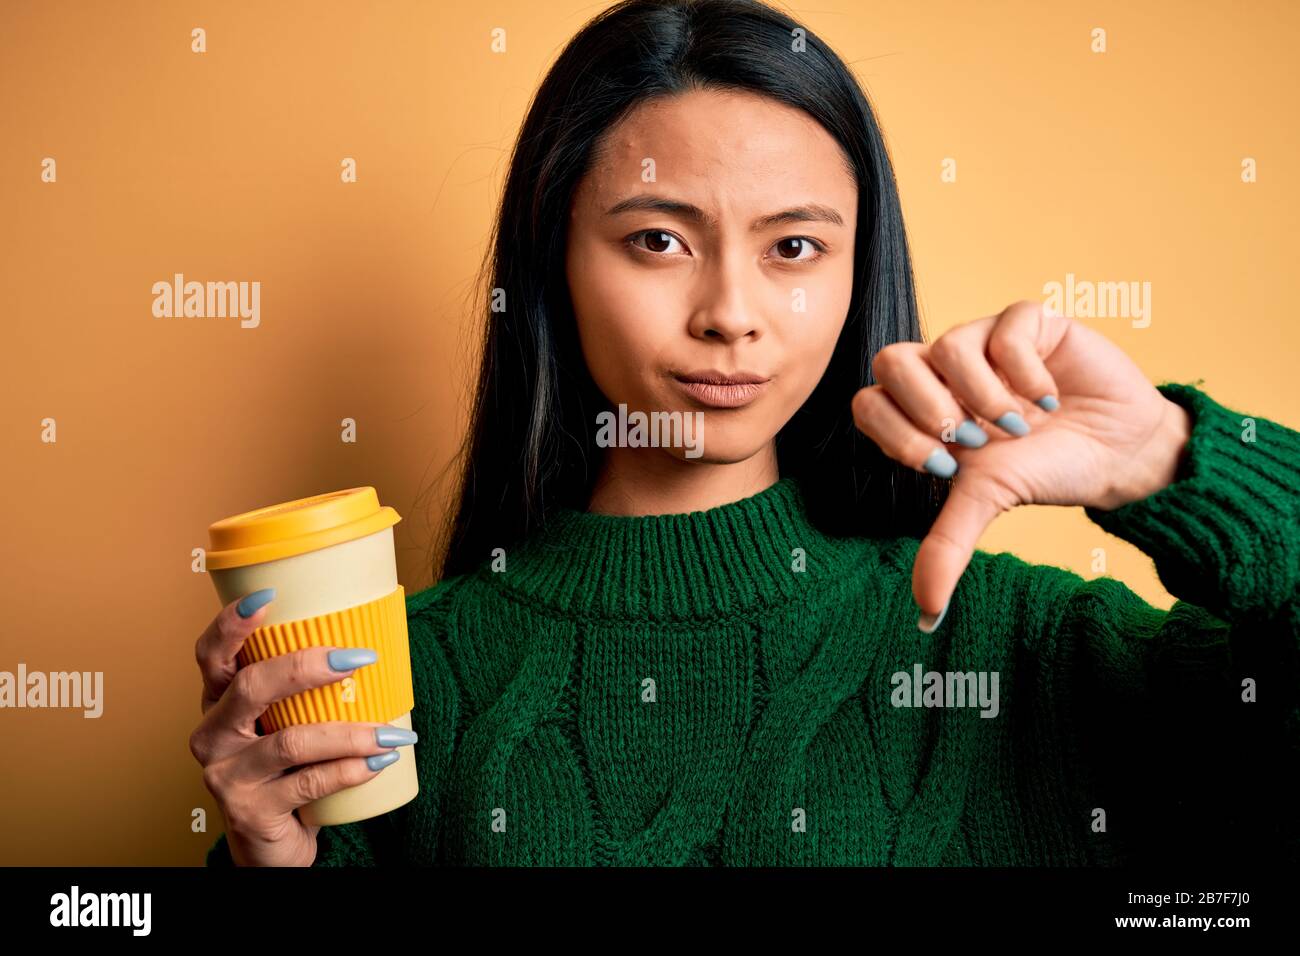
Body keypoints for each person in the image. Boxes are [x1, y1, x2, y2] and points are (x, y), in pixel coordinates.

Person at [192, 0, 1299, 866]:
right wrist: (269, 857)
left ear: (859, 268)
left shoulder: (1018, 651)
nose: (731, 311)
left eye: (794, 247)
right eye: (660, 240)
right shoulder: (399, 688)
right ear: (555, 262)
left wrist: (1172, 461)